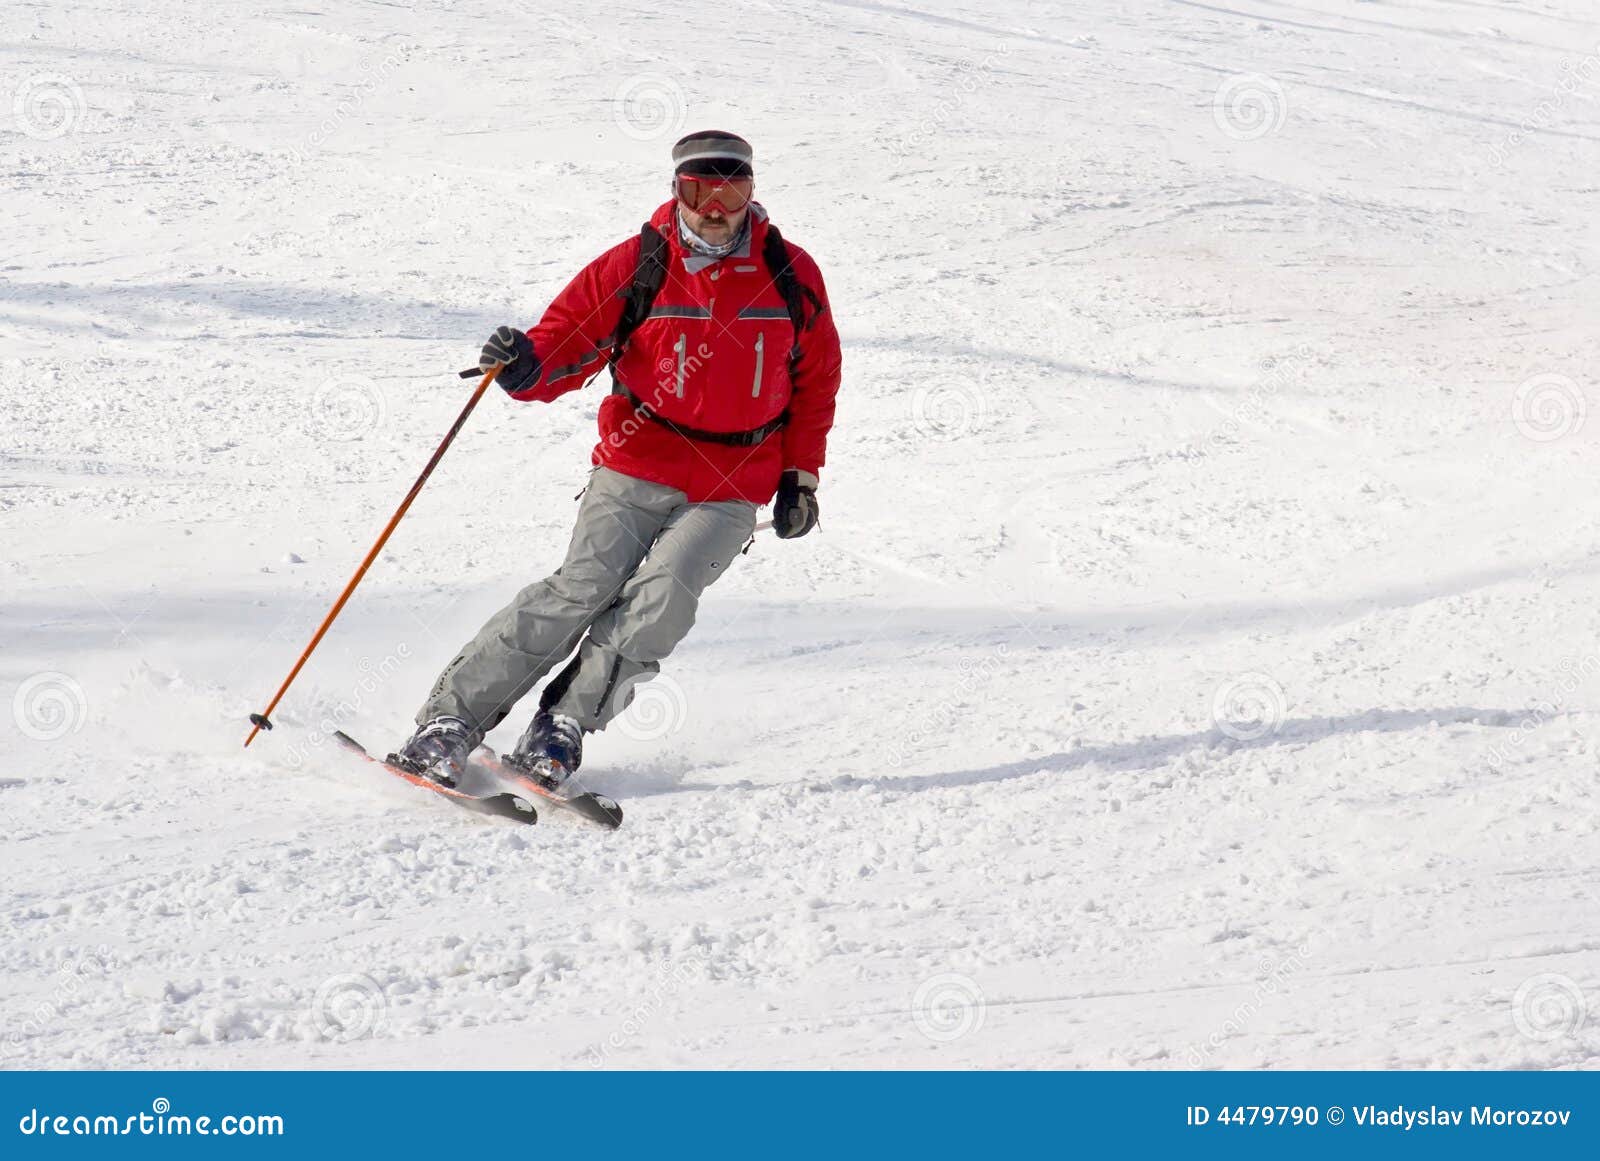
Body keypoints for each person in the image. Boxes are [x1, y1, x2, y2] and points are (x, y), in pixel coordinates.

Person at [393, 129, 843, 787]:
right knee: (581, 589)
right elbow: (567, 339)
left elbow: (816, 378)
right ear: (677, 191)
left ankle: (562, 727)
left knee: (663, 598)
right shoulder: (641, 262)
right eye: (698, 190)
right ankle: (449, 721)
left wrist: (800, 478)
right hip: (636, 464)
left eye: (731, 189)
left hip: (731, 483)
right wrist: (526, 364)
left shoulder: (790, 273)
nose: (714, 207)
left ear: (751, 192)